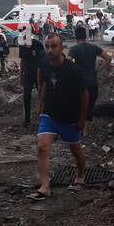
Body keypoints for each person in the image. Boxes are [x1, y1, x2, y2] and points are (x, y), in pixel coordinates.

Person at [28, 33, 88, 201]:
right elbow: (45, 81)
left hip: (70, 117)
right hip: (50, 114)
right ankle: (45, 187)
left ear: (62, 48)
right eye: (47, 46)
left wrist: (83, 118)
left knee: (75, 150)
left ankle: (81, 174)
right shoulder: (45, 64)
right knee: (42, 146)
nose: (49, 50)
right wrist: (41, 104)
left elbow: (84, 94)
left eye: (53, 46)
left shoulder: (73, 69)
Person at [69, 25, 110, 133]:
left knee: (79, 104)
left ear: (76, 37)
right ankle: (86, 129)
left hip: (79, 83)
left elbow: (67, 63)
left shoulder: (74, 49)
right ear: (86, 36)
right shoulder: (94, 48)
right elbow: (108, 58)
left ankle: (79, 128)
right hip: (92, 81)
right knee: (90, 105)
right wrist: (99, 69)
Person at [18, 23, 43, 127]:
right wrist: (20, 76)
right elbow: (23, 61)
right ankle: (27, 119)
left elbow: (44, 59)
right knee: (26, 95)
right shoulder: (22, 46)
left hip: (39, 73)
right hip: (27, 74)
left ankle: (44, 117)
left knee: (42, 94)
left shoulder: (38, 44)